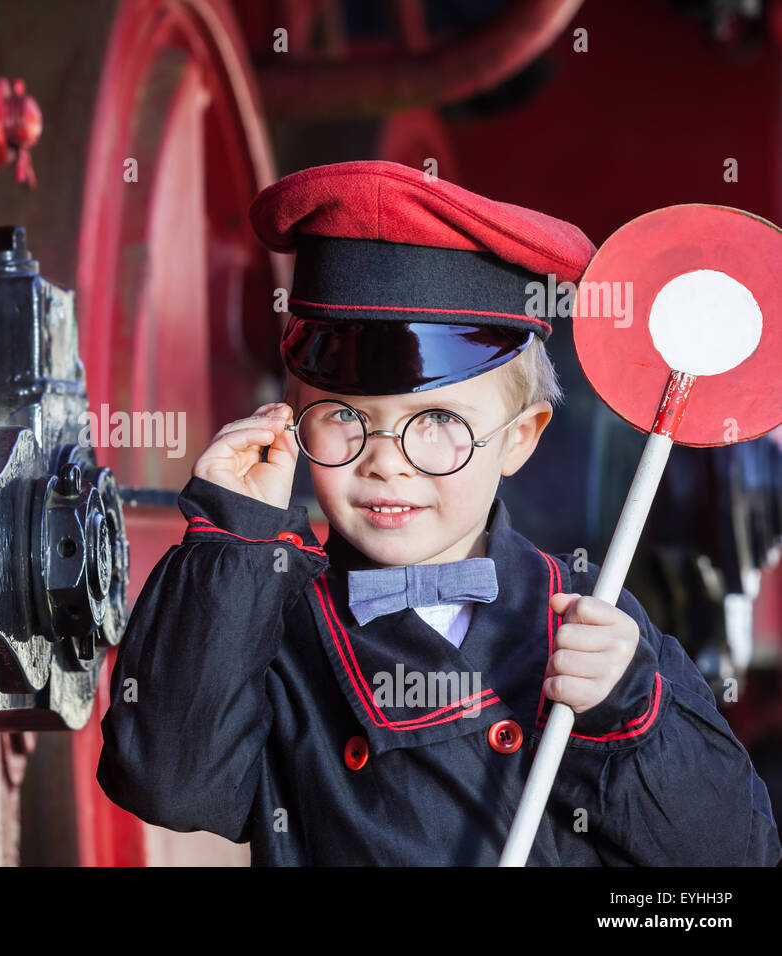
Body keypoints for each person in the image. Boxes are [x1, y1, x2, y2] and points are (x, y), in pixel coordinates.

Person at [95, 160, 782, 865]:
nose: (387, 460)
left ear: (520, 437)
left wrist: (631, 712)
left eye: (437, 421)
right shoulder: (272, 621)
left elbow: (734, 857)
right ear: (289, 422)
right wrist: (232, 542)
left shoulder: (593, 622)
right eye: (342, 415)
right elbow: (168, 787)